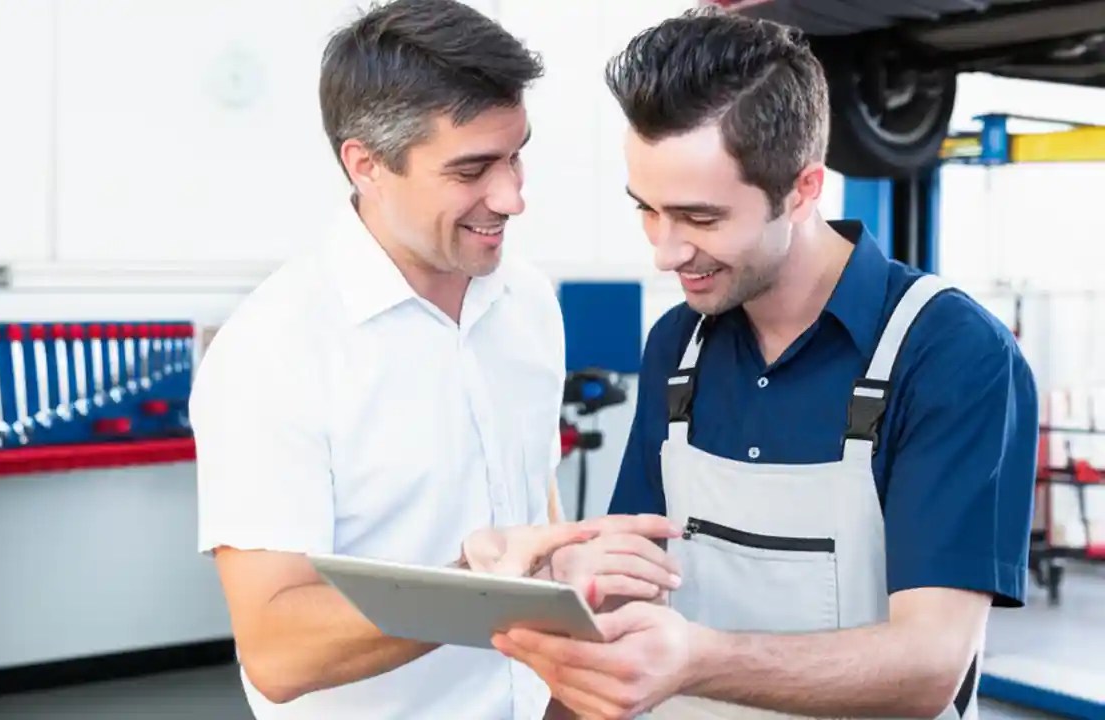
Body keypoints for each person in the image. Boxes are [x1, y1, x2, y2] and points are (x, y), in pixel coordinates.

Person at [492, 8, 1039, 720]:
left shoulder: (950, 356)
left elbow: (930, 664)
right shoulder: (677, 348)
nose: (665, 250)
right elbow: (626, 586)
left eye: (701, 217)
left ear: (803, 189)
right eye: (647, 210)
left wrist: (699, 658)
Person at [188, 1, 681, 718]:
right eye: (473, 168)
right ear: (367, 165)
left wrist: (559, 583)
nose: (511, 196)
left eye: (516, 154)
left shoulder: (527, 302)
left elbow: (528, 512)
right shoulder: (273, 349)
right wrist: (479, 589)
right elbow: (276, 649)